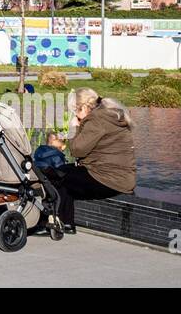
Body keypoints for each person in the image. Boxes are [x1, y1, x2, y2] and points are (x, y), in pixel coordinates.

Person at [44, 87, 136, 232]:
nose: (75, 114)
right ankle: (65, 222)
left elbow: (76, 150)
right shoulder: (106, 114)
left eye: (76, 110)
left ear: (85, 107)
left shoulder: (96, 120)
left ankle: (60, 221)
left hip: (109, 179)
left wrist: (74, 127)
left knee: (57, 175)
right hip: (120, 177)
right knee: (63, 172)